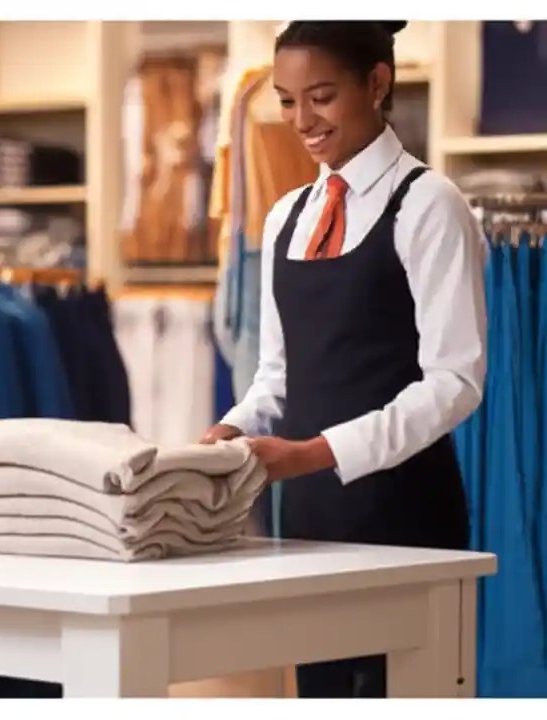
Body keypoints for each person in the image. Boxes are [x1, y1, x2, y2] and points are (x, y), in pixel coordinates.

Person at [201, 21, 487, 698]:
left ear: (377, 84)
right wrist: (231, 431)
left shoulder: (429, 205)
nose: (303, 120)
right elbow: (279, 374)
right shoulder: (285, 217)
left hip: (404, 518)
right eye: (287, 100)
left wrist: (311, 454)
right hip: (306, 522)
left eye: (321, 96)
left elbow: (454, 383)